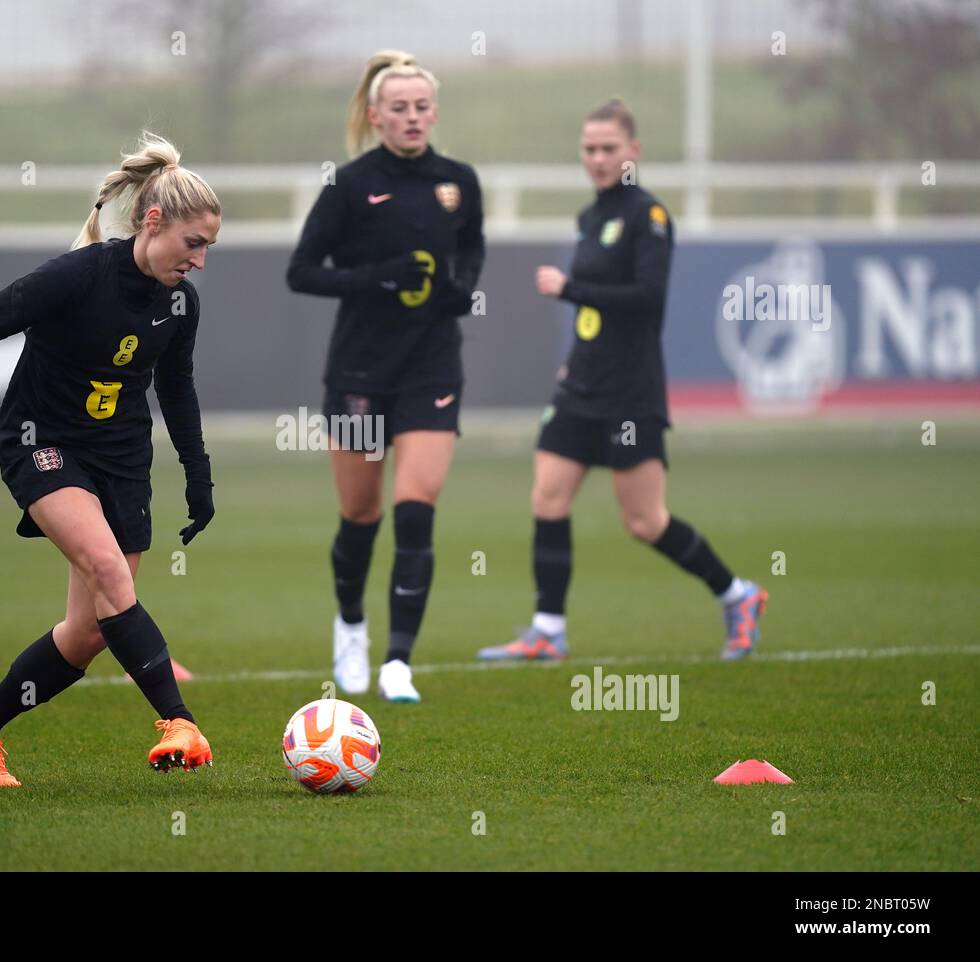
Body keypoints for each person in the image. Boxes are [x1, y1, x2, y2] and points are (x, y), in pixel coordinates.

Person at [0, 132, 221, 785]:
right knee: (108, 572)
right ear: (153, 221)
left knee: (87, 632)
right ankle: (179, 721)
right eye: (193, 244)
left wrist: (198, 476)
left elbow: (176, 388)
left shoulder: (180, 303)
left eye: (208, 248)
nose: (200, 261)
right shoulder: (81, 274)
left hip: (120, 457)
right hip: (42, 440)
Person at [477, 98, 767, 664]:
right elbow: (597, 316)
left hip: (630, 393)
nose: (599, 158)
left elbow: (645, 299)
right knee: (548, 494)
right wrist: (574, 358)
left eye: (610, 148)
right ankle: (548, 629)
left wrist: (568, 289)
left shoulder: (648, 217)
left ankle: (739, 595)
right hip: (581, 386)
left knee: (643, 521)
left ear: (633, 151)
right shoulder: (591, 217)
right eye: (589, 148)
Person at [287, 50, 485, 702]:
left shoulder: (459, 180)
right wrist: (376, 278)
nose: (411, 117)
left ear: (434, 110)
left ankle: (399, 660)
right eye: (398, 108)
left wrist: (462, 287)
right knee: (361, 513)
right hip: (360, 371)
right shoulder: (349, 185)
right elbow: (303, 271)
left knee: (416, 510)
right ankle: (351, 626)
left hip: (431, 367)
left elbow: (472, 245)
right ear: (375, 115)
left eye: (422, 106)